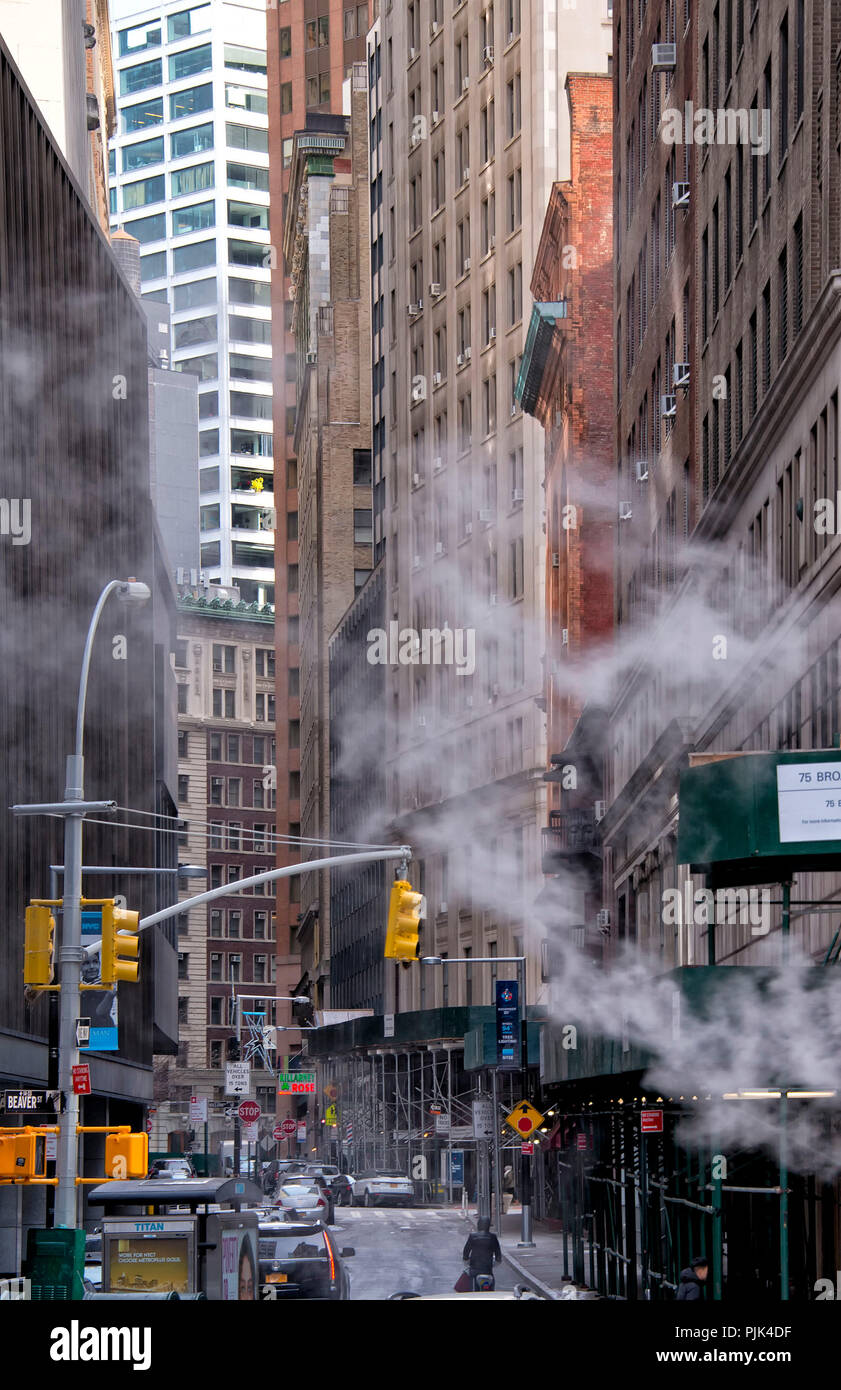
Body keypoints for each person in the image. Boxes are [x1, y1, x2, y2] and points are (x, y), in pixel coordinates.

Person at [462, 1216, 502, 1291]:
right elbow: (498, 1254)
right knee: (491, 1288)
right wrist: (495, 1262)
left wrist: (466, 1260)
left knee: (472, 1288)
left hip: (474, 1269)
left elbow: (466, 1251)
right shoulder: (493, 1237)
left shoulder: (472, 1236)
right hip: (487, 1269)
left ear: (479, 1225)